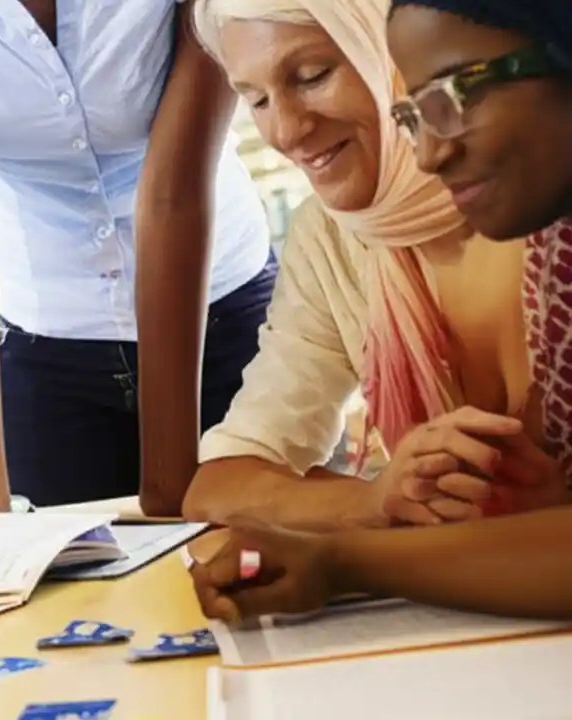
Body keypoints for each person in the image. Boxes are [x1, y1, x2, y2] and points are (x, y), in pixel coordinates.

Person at [192, 0, 572, 623]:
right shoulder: (339, 237)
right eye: (254, 100)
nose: (285, 132)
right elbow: (220, 485)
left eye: (312, 75)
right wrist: (375, 502)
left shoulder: (544, 211)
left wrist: (347, 558)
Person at [0, 0, 277, 511]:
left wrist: (170, 487)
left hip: (220, 311)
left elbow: (172, 194)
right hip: (41, 344)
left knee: (264, 567)